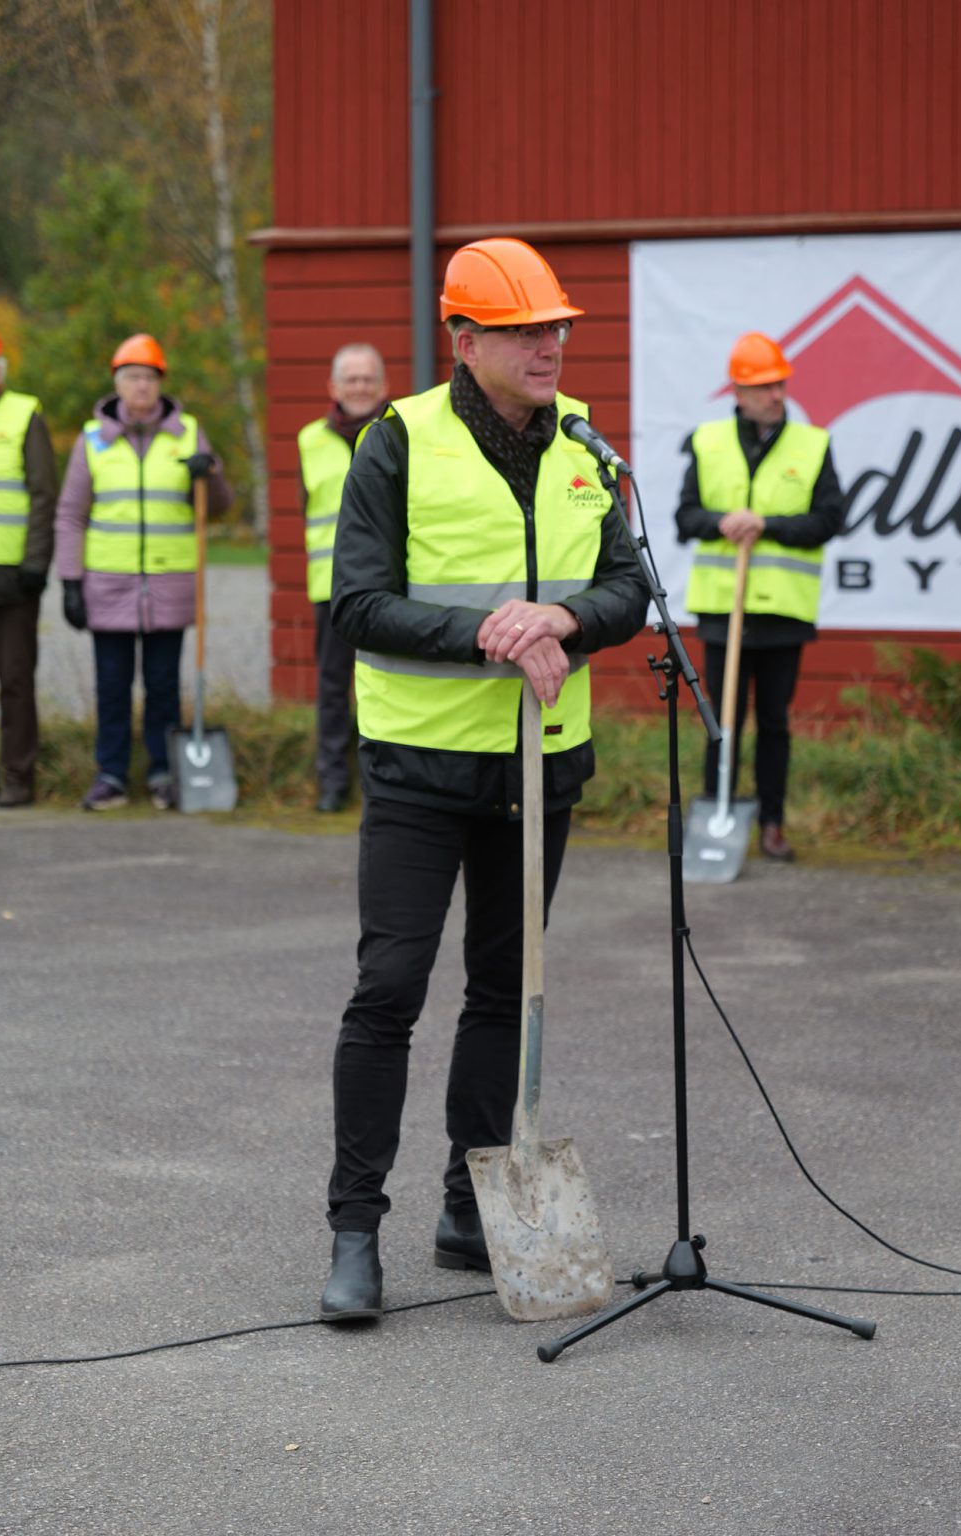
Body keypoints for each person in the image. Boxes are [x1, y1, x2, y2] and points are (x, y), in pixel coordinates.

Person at [319, 237, 649, 1322]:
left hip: (539, 768)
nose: (550, 345)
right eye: (524, 330)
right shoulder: (396, 443)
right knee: (389, 992)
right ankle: (354, 1230)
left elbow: (626, 591)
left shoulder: (585, 447)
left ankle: (469, 1208)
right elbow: (356, 606)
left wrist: (560, 616)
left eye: (557, 327)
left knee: (505, 993)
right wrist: (489, 634)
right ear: (465, 340)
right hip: (417, 769)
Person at [674, 331, 844, 861]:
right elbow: (685, 516)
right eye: (764, 386)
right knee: (721, 720)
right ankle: (715, 808)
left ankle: (772, 822)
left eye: (780, 385)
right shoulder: (708, 442)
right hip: (724, 609)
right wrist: (721, 522)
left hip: (781, 611)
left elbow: (828, 519)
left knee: (774, 721)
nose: (776, 395)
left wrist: (766, 523)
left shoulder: (812, 444)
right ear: (739, 392)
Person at [55, 333, 231, 810]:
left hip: (170, 589)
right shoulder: (91, 442)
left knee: (163, 687)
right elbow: (70, 515)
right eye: (132, 377)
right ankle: (110, 773)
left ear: (160, 384)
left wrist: (209, 474)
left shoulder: (189, 433)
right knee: (111, 687)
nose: (141, 387)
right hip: (108, 588)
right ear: (117, 384)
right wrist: (70, 582)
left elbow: (218, 506)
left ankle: (162, 771)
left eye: (149, 377)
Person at [298, 344, 387, 812]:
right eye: (350, 379)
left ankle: (384, 782)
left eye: (368, 378)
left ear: (383, 386)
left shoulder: (398, 433)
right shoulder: (309, 441)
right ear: (333, 387)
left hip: (387, 589)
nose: (359, 387)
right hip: (329, 587)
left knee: (389, 686)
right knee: (333, 689)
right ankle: (333, 783)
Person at [0, 322, 57, 807]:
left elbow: (43, 495)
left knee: (15, 681)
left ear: (1, 371)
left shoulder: (25, 414)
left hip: (13, 576)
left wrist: (36, 563)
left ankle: (18, 777)